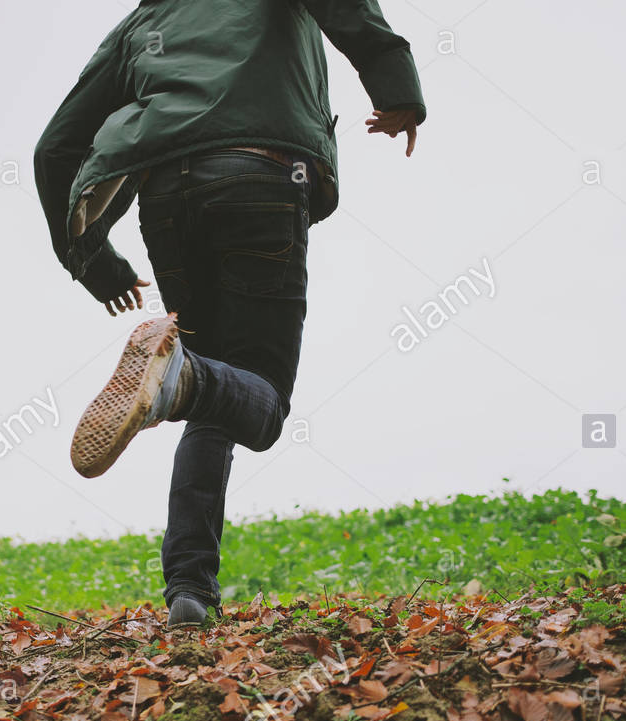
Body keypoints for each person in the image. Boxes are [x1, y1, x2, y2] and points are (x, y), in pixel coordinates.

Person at [34, 0, 425, 627]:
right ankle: (178, 380)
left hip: (164, 197)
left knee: (216, 396)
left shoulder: (146, 22)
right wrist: (396, 84)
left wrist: (95, 263)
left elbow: (56, 149)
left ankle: (190, 591)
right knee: (261, 404)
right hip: (263, 176)